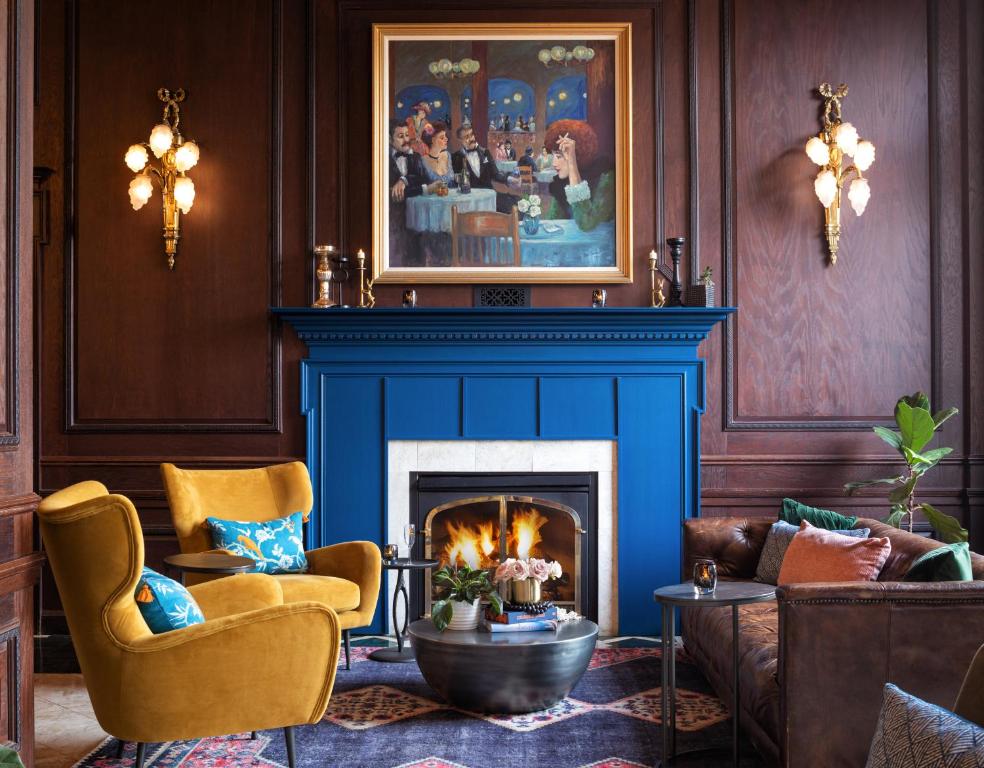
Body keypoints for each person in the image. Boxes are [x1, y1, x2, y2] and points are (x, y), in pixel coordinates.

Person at [543, 119, 615, 232]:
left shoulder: (606, 178)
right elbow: (553, 223)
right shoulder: (561, 184)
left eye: (559, 156)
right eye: (553, 156)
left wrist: (572, 164)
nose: (553, 164)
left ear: (576, 155)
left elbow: (587, 224)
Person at [452, 124, 518, 213]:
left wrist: (509, 179)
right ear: (460, 140)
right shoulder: (456, 157)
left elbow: (495, 174)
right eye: (466, 137)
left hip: (489, 195)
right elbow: (455, 182)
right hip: (469, 200)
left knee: (515, 204)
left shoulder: (485, 152)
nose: (471, 138)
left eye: (472, 134)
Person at [388, 119, 428, 265]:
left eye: (407, 135)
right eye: (400, 136)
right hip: (394, 218)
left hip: (417, 217)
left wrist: (403, 180)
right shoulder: (382, 159)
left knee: (418, 257)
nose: (406, 139)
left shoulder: (415, 157)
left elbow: (424, 180)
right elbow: (391, 193)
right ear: (389, 139)